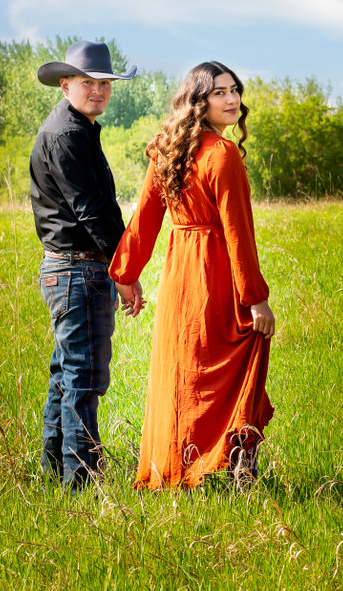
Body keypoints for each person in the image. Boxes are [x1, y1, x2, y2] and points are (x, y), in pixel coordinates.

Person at [110, 61, 276, 489]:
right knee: (243, 359)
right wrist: (255, 298)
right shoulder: (222, 154)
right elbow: (238, 232)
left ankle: (182, 465)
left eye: (235, 90)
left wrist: (126, 273)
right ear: (198, 101)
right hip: (215, 270)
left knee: (185, 368)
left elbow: (145, 220)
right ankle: (237, 469)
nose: (232, 99)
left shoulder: (167, 149)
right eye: (220, 92)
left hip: (179, 274)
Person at [30, 40, 145, 489]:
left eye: (104, 84)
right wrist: (125, 272)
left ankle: (56, 478)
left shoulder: (76, 127)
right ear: (65, 85)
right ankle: (81, 483)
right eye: (87, 83)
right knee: (84, 377)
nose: (97, 91)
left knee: (67, 374)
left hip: (72, 268)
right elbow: (93, 211)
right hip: (79, 269)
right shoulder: (69, 134)